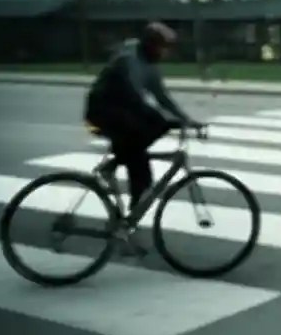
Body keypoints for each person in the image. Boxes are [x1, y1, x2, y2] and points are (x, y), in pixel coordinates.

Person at [85, 22, 199, 215]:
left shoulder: (150, 64)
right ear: (151, 45)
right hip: (101, 112)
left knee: (147, 136)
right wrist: (167, 119)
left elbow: (162, 96)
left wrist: (186, 120)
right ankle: (129, 183)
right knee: (139, 146)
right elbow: (134, 96)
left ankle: (129, 192)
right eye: (164, 48)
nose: (166, 53)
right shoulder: (128, 59)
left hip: (122, 110)